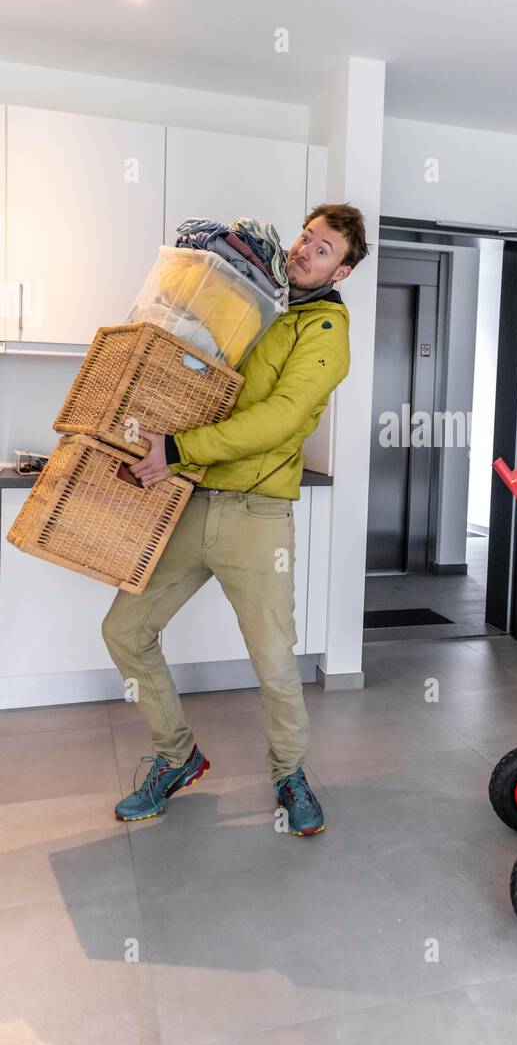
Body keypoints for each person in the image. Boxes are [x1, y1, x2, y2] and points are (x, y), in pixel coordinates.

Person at [103, 203, 368, 835]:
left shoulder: (326, 331)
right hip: (192, 501)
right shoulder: (258, 303)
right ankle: (177, 757)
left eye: (324, 248)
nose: (305, 250)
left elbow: (279, 417)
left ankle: (290, 774)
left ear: (344, 270)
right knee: (124, 629)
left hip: (258, 516)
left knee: (274, 661)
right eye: (307, 237)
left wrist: (178, 449)